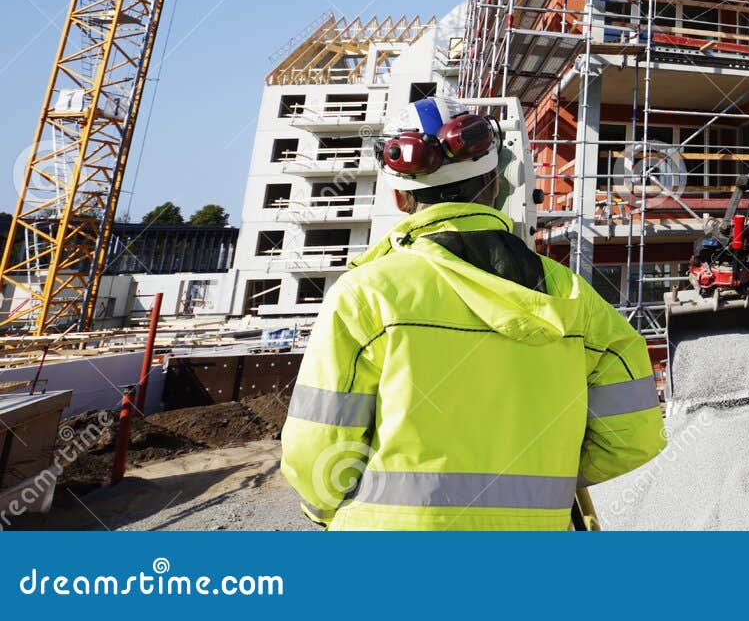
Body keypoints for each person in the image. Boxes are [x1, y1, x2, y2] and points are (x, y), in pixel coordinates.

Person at [281, 97, 664, 530]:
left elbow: (315, 452)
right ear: (498, 184)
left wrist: (326, 507)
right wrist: (539, 481)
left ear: (399, 196)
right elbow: (634, 437)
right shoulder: (577, 298)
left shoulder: (366, 294)